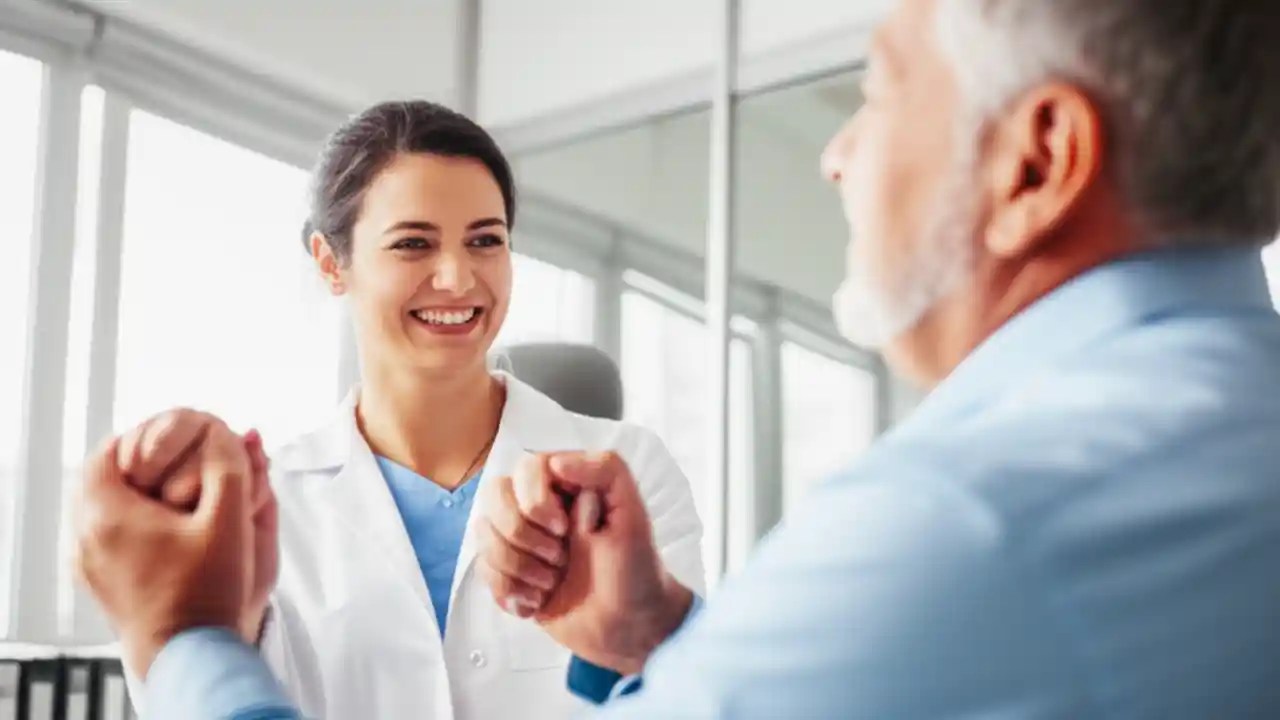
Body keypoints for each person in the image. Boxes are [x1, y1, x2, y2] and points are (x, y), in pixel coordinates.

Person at [75, 0, 1280, 717]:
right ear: (331, 264)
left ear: (1036, 161)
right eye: (412, 245)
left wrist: (183, 637)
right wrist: (649, 636)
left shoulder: (961, 523)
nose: (836, 156)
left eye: (877, 92)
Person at [109, 100, 706, 719]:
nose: (458, 278)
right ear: (331, 262)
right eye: (413, 244)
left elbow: (691, 696)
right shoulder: (268, 506)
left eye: (485, 240)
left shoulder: (626, 469)